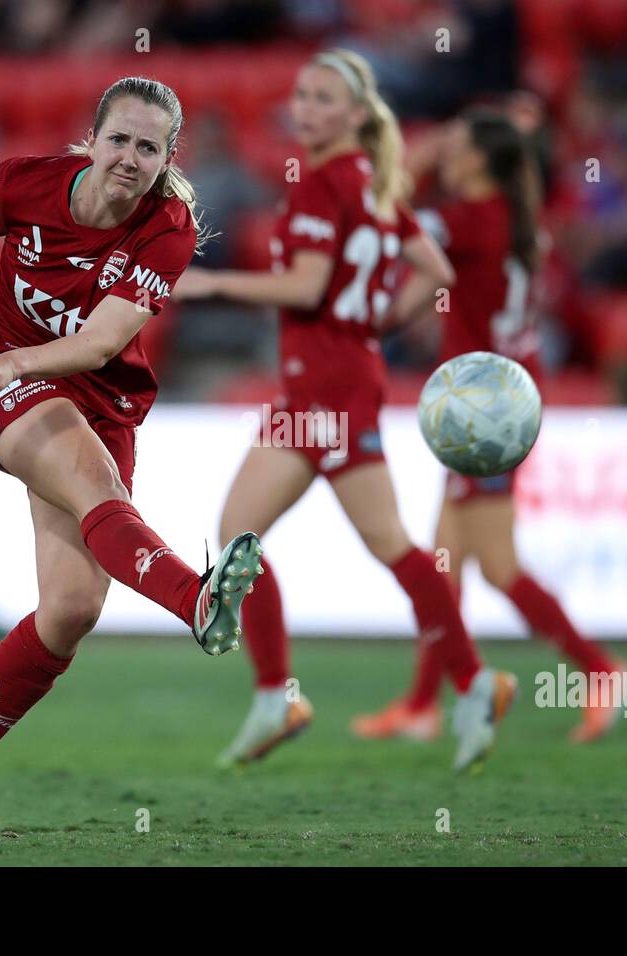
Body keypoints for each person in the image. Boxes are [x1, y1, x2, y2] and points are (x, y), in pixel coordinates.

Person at [0, 77, 266, 836]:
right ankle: (197, 602)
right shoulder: (25, 182)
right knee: (95, 482)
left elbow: (101, 343)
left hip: (98, 397)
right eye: (120, 140)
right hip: (0, 381)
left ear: (167, 159)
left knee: (70, 610)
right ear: (91, 140)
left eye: (149, 147)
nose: (130, 159)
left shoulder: (167, 228)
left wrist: (19, 363)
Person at [174, 50, 517, 774]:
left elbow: (304, 288)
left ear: (358, 115)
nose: (305, 108)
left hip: (320, 385)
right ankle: (472, 680)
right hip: (344, 377)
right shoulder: (378, 183)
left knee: (248, 536)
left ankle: (281, 692)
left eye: (324, 99)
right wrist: (373, 326)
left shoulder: (321, 185)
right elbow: (438, 273)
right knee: (367, 541)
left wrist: (211, 284)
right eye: (301, 95)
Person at [352, 109, 627, 745]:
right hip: (503, 398)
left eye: (460, 142)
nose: (449, 148)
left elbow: (385, 221)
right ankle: (422, 703)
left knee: (498, 567)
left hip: (485, 410)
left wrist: (411, 160)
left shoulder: (472, 219)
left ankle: (600, 670)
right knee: (444, 562)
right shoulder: (517, 218)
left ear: (480, 160)